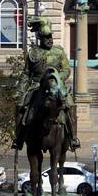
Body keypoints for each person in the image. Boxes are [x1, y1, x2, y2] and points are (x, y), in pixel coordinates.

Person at [14, 15, 79, 152]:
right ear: (40, 38)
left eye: (50, 37)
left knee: (70, 105)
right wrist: (19, 91)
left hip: (57, 86)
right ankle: (18, 138)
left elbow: (66, 70)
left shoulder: (59, 51)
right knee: (20, 106)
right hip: (36, 86)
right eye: (46, 38)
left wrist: (56, 79)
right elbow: (26, 73)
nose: (49, 40)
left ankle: (73, 138)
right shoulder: (33, 53)